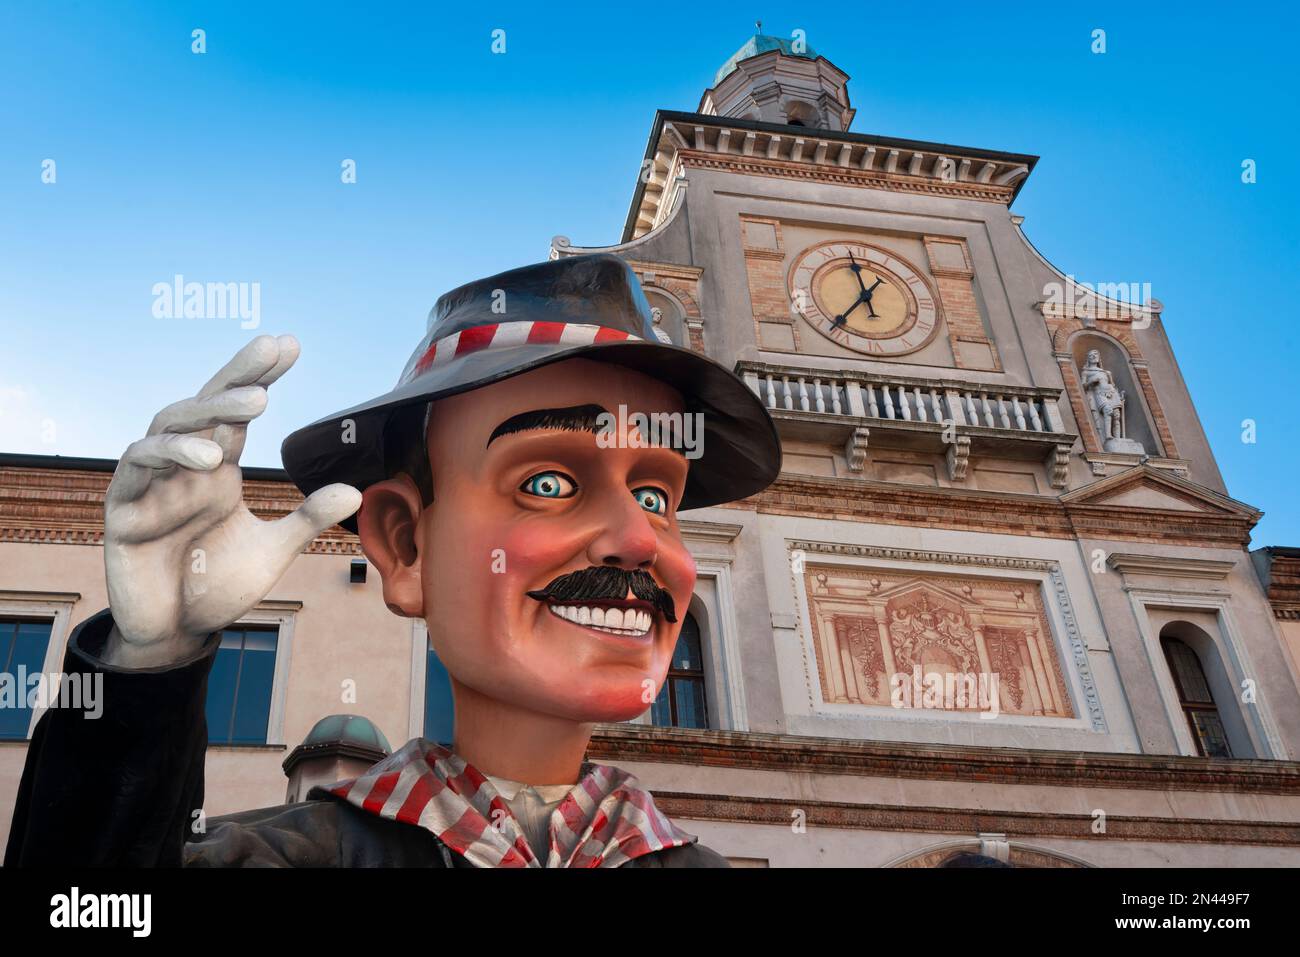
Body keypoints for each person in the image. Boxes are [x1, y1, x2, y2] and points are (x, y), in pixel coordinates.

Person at [4, 254, 781, 868]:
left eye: (655, 496)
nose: (640, 540)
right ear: (406, 544)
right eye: (550, 482)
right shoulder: (295, 857)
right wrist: (149, 665)